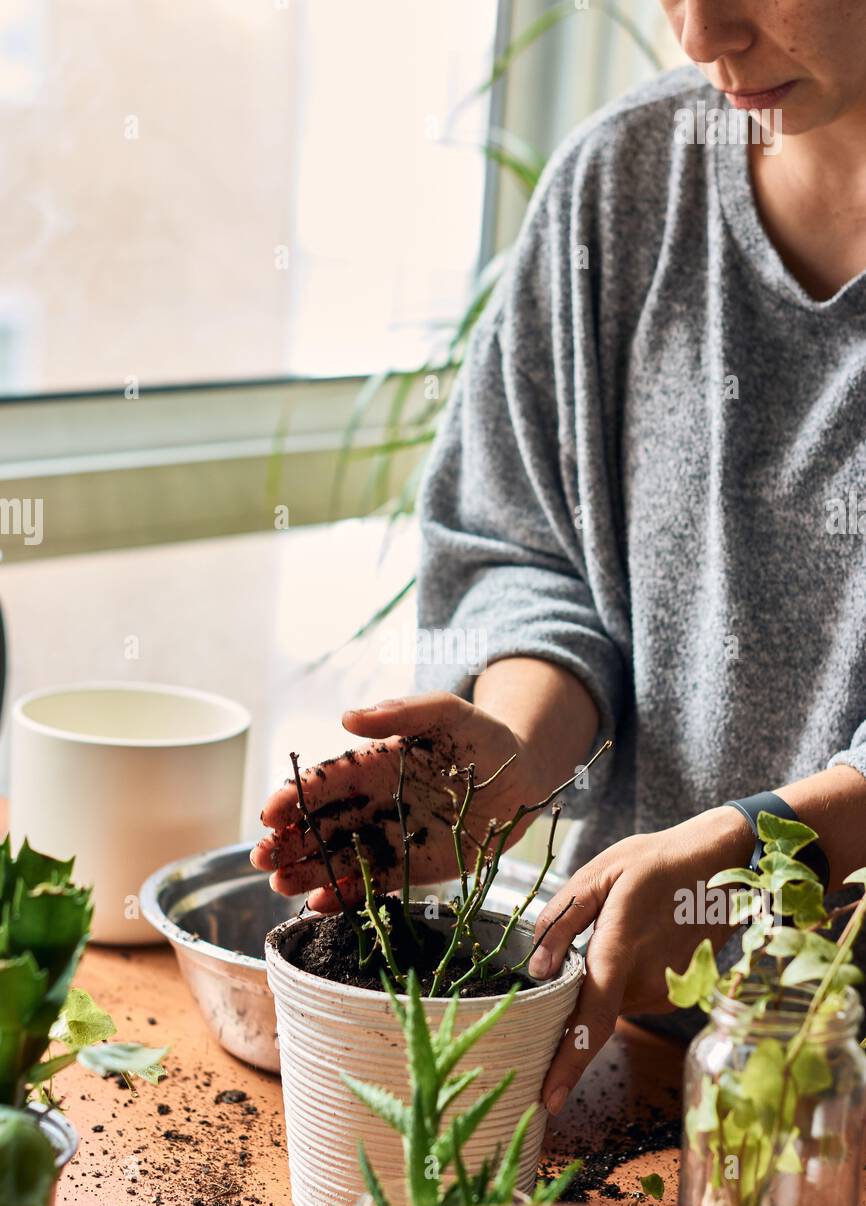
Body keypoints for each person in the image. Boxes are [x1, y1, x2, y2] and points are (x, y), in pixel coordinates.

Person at [253, 1, 866, 1120]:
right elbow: (523, 545)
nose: (698, 34)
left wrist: (769, 840)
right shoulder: (620, 188)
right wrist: (513, 758)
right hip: (660, 1060)